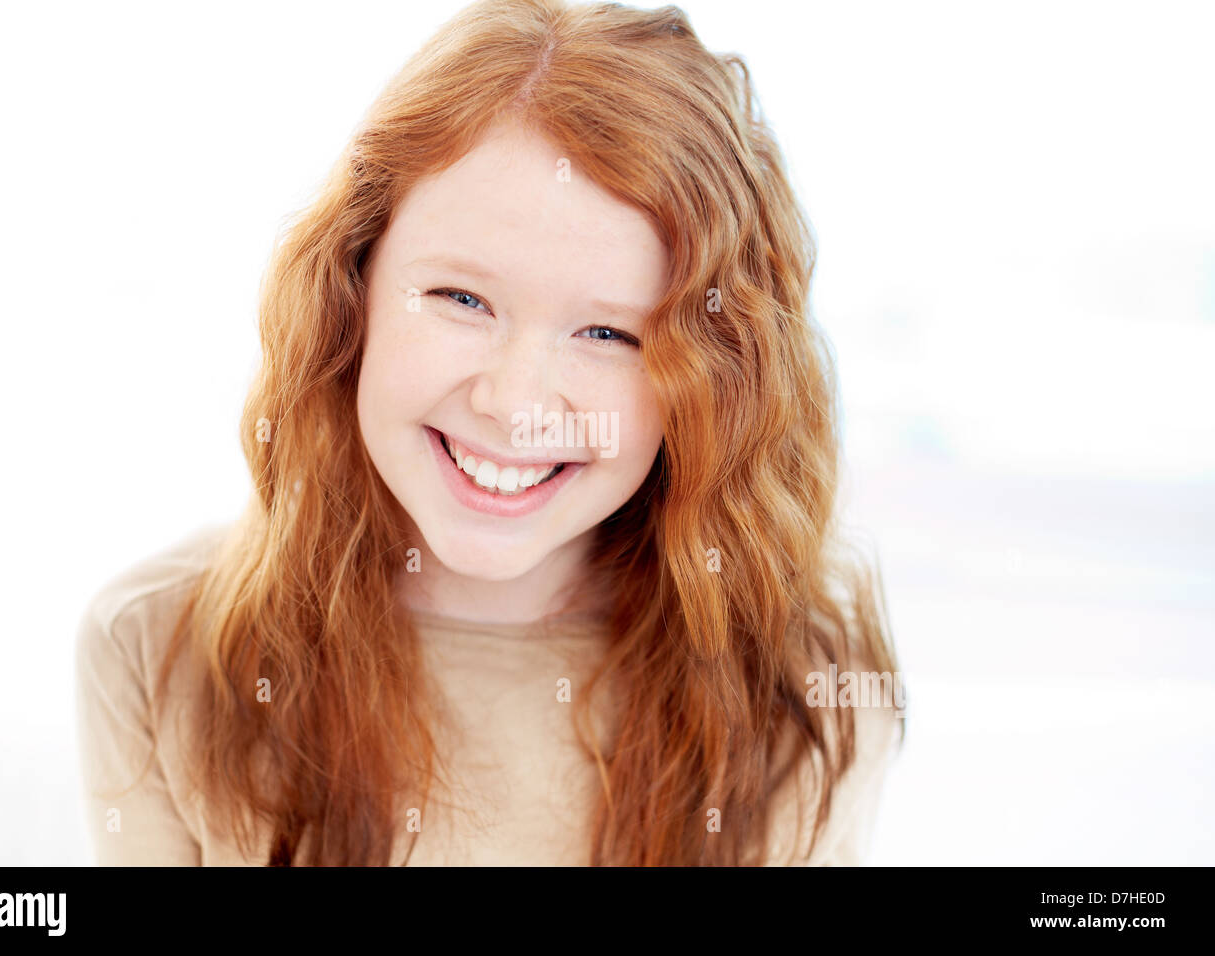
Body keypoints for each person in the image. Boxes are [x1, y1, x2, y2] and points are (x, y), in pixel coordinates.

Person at [75, 0, 903, 866]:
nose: (516, 405)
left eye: (610, 334)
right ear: (349, 292)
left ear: (717, 379)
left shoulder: (804, 685)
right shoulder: (154, 647)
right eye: (461, 300)